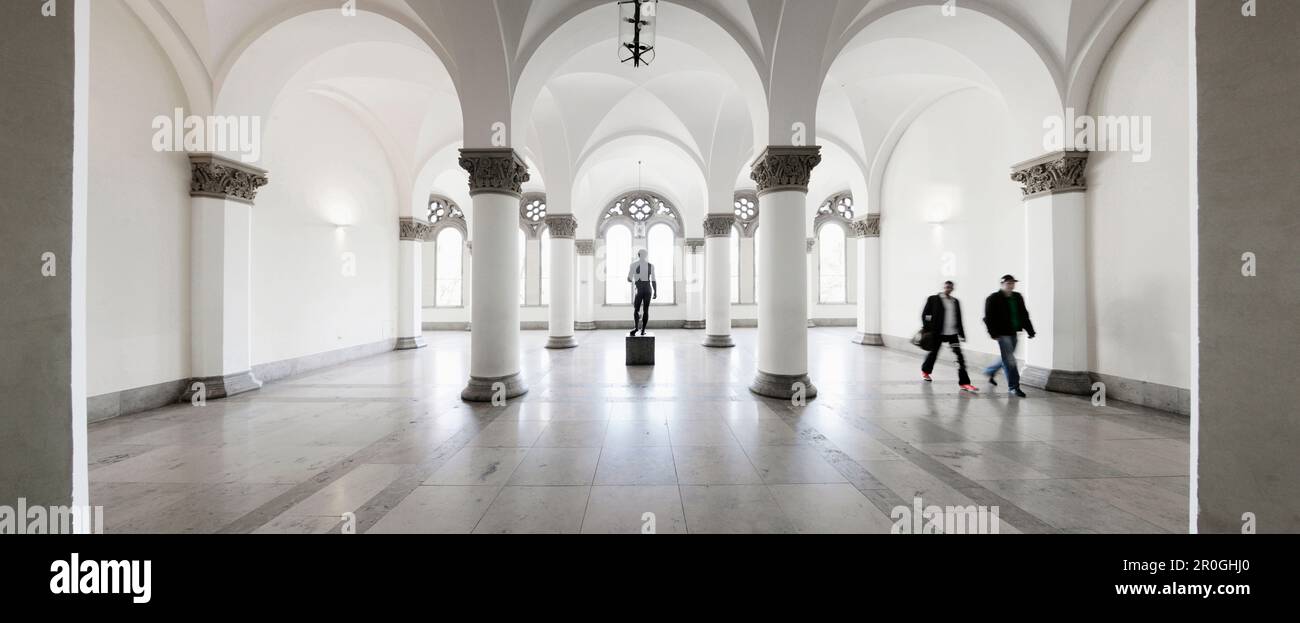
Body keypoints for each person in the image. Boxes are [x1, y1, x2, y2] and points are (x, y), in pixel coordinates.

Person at [982, 274, 1036, 397]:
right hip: (1002, 334)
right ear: (1002, 284)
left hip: (1013, 332)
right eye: (1008, 283)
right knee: (1010, 360)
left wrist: (1030, 330)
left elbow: (1024, 314)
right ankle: (1014, 387)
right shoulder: (993, 298)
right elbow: (987, 318)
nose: (1011, 285)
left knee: (1007, 358)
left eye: (1012, 283)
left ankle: (990, 371)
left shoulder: (1017, 297)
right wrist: (993, 333)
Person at [920, 281, 979, 393]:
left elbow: (959, 318)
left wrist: (962, 334)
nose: (948, 289)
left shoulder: (955, 301)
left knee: (959, 358)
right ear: (943, 287)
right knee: (933, 354)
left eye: (950, 287)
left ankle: (964, 383)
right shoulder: (933, 299)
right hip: (938, 333)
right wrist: (928, 328)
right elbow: (926, 315)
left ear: (953, 288)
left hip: (952, 334)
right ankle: (926, 371)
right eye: (947, 287)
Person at [626, 249, 657, 336]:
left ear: (638, 255)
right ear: (646, 255)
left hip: (639, 289)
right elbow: (653, 280)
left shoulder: (634, 265)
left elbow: (629, 278)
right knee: (646, 310)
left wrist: (633, 279)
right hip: (648, 289)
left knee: (636, 309)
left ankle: (636, 328)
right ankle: (643, 330)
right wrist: (655, 291)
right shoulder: (650, 265)